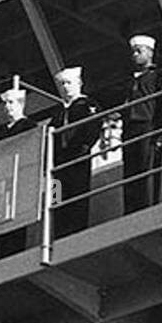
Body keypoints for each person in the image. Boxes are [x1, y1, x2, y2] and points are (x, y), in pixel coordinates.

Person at [123, 35, 162, 213]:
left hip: (148, 126)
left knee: (148, 169)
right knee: (130, 173)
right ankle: (131, 210)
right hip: (131, 129)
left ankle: (148, 207)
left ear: (150, 52)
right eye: (134, 52)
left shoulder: (159, 76)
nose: (135, 55)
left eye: (140, 51)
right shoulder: (130, 80)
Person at [51, 67, 99, 238]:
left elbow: (93, 126)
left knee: (77, 191)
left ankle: (76, 229)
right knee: (55, 196)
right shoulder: (58, 111)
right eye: (62, 84)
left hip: (77, 156)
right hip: (57, 162)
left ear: (79, 84)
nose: (66, 87)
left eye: (69, 83)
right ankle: (56, 231)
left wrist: (85, 145)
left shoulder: (87, 104)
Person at [0, 86, 34, 259]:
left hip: (19, 178)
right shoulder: (2, 133)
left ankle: (14, 252)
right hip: (3, 181)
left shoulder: (28, 126)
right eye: (5, 103)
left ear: (20, 104)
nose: (7, 107)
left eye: (11, 102)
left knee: (16, 218)